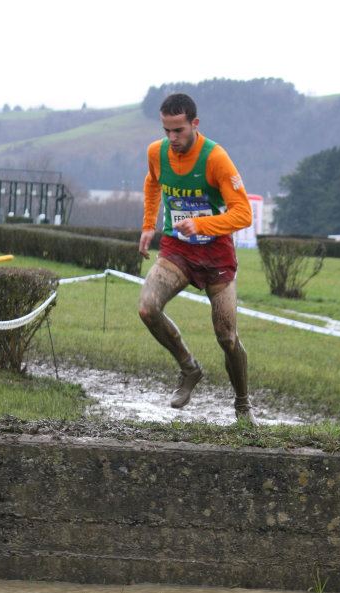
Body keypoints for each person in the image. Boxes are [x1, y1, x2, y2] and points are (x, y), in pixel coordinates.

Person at [138, 92, 256, 421]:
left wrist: (202, 224)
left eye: (179, 130)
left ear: (195, 124)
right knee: (147, 307)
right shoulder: (156, 152)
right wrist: (149, 225)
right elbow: (152, 183)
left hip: (216, 255)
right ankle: (189, 369)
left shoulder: (216, 158)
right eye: (167, 131)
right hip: (178, 250)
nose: (173, 138)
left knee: (227, 337)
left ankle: (242, 402)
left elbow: (243, 214)